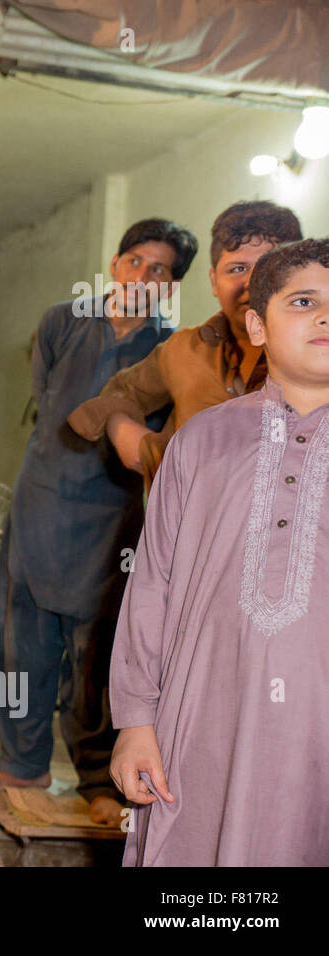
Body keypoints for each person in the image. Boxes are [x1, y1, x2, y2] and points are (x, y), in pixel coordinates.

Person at [0, 219, 199, 826]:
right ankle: (22, 764)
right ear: (116, 264)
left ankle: (100, 779)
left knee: (97, 652)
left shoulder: (173, 352)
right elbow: (50, 406)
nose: (142, 277)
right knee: (21, 639)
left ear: (170, 288)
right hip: (40, 499)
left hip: (112, 518)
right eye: (135, 261)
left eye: (160, 271)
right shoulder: (62, 322)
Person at [110, 238, 329, 865]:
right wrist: (134, 721)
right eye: (305, 301)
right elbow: (151, 585)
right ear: (257, 324)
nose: (325, 318)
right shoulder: (203, 441)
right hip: (199, 717)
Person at [68, 201, 302, 487]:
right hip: (184, 528)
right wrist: (129, 436)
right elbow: (122, 390)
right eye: (237, 268)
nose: (252, 283)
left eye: (268, 267)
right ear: (214, 281)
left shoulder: (318, 357)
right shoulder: (183, 349)